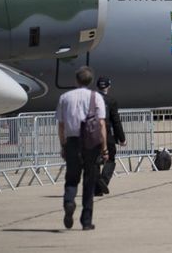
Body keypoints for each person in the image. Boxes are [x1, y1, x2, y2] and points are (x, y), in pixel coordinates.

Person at [56, 66, 108, 230]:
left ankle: (69, 201)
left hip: (72, 141)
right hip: (91, 143)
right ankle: (86, 221)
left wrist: (63, 145)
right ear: (91, 81)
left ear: (76, 80)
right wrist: (104, 147)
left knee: (71, 178)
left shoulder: (65, 97)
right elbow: (101, 124)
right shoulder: (96, 97)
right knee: (89, 181)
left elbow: (61, 125)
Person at [94, 77, 126, 196]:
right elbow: (116, 121)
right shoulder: (111, 101)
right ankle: (103, 180)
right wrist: (122, 138)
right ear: (108, 86)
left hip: (91, 133)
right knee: (111, 158)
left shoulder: (90, 100)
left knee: (95, 160)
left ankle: (96, 187)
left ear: (97, 86)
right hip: (106, 133)